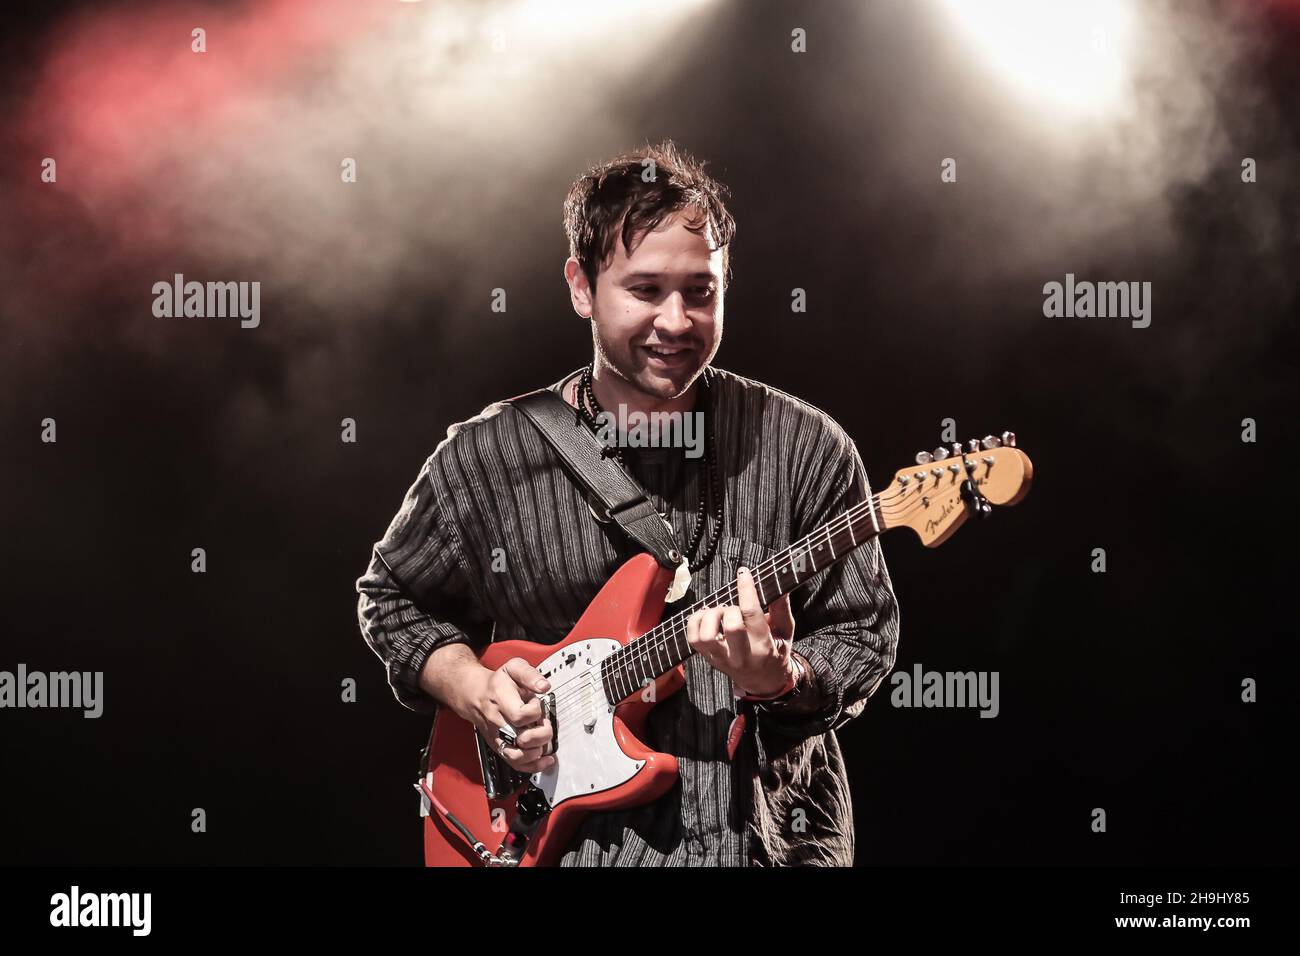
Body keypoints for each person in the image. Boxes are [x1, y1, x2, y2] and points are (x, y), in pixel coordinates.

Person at [356, 140, 900, 865]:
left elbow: (863, 632)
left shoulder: (806, 448)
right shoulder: (489, 453)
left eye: (701, 292)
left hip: (769, 844)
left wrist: (782, 678)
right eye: (645, 291)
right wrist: (474, 688)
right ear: (581, 287)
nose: (676, 321)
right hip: (568, 846)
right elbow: (391, 598)